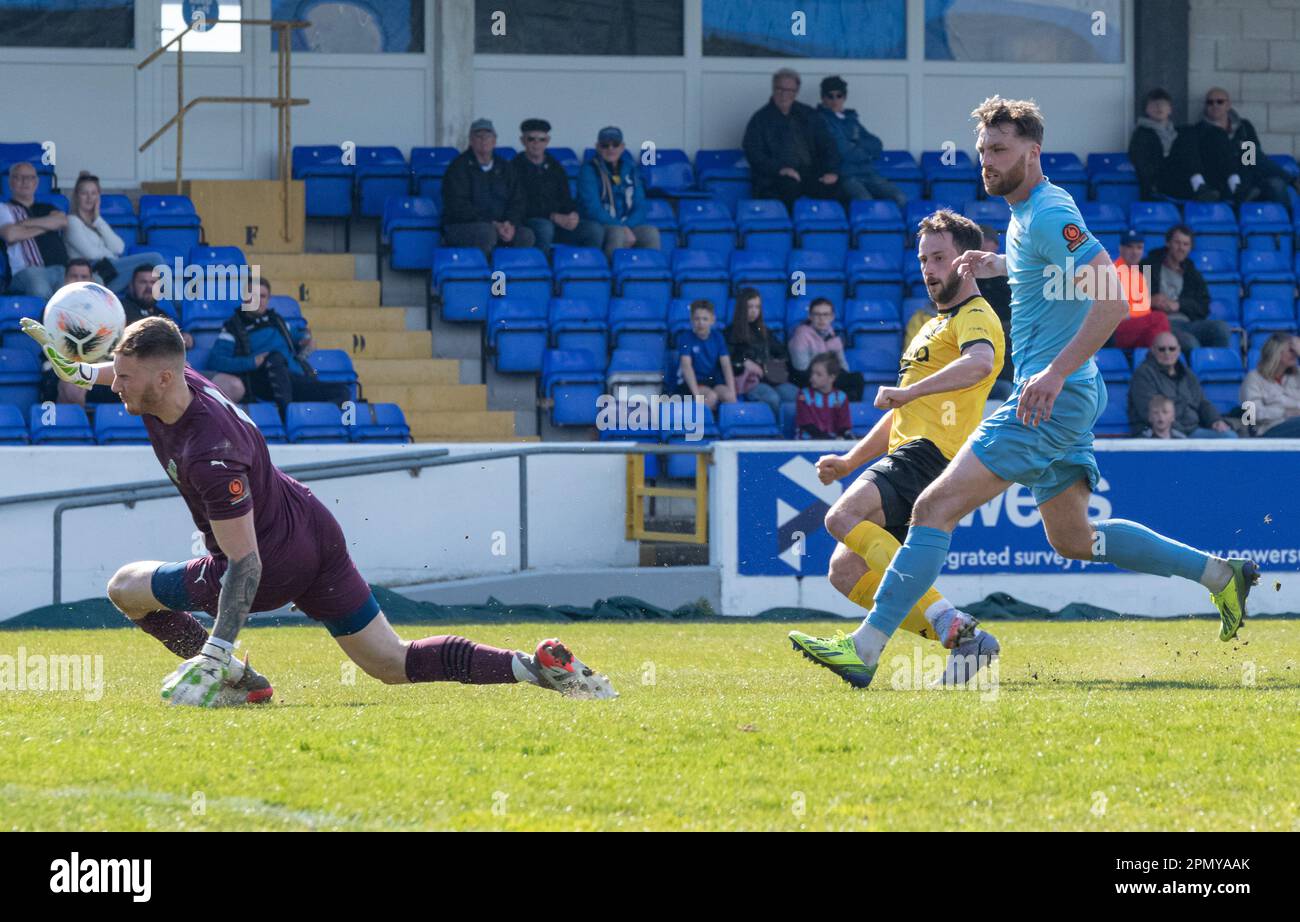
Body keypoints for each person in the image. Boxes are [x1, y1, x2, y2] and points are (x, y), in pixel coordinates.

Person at [788, 97, 1259, 689]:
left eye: (1000, 150)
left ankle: (866, 649)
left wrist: (1055, 371)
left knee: (932, 509)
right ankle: (1221, 575)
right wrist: (1005, 266)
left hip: (1049, 395)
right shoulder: (1022, 218)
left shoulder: (1046, 211)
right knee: (1074, 538)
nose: (987, 161)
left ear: (1033, 152)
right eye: (983, 150)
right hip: (1066, 395)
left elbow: (1114, 300)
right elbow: (1051, 271)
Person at [19, 314, 616, 707]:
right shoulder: (180, 383)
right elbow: (125, 369)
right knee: (390, 661)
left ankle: (230, 679)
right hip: (313, 530)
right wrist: (78, 369)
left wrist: (215, 650)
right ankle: (533, 667)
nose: (112, 386)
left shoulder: (209, 453)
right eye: (113, 375)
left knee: (126, 588)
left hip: (267, 563)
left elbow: (245, 567)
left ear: (164, 379)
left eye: (122, 379)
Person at [790, 208, 1004, 686]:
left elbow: (981, 364)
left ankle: (951, 621)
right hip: (910, 451)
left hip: (934, 454)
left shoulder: (974, 316)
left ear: (967, 262)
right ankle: (966, 639)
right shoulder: (930, 326)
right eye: (924, 259)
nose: (929, 269)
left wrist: (909, 392)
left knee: (840, 518)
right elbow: (900, 416)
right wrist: (850, 459)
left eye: (940, 258)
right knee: (845, 572)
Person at [207, 278, 349, 416]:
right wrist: (251, 362)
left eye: (262, 296)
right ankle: (287, 417)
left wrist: (305, 339)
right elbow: (215, 361)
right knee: (275, 357)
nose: (258, 300)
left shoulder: (277, 321)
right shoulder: (234, 327)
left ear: (268, 300)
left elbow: (299, 336)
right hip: (265, 381)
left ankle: (317, 427)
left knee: (341, 391)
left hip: (294, 379)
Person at [742, 68, 845, 211]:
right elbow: (754, 153)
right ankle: (790, 232)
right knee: (788, 187)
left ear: (796, 92)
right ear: (773, 89)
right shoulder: (760, 119)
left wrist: (832, 171)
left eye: (790, 90)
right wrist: (780, 169)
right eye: (780, 89)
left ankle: (828, 232)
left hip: (810, 174)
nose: (784, 94)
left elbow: (828, 145)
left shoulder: (809, 114)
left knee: (838, 188)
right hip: (777, 178)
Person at [440, 118, 536, 258]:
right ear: (471, 140)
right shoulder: (458, 167)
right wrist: (493, 223)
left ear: (495, 140)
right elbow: (458, 206)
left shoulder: (506, 167)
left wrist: (510, 223)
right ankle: (483, 276)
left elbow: (518, 201)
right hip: (461, 226)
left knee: (526, 235)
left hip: (500, 226)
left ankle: (507, 276)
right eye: (478, 136)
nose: (483, 140)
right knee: (487, 233)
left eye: (488, 136)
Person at [1191, 88, 1298, 205]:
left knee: (1276, 184)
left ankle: (1285, 219)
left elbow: (1254, 158)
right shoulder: (1199, 131)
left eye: (1219, 102)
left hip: (1249, 174)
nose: (1215, 105)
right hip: (1222, 180)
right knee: (1246, 151)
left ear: (1228, 105)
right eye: (1210, 102)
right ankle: (1293, 181)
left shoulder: (1244, 126)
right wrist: (1236, 149)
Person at [510, 118, 601, 255]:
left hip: (559, 223)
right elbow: (519, 205)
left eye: (541, 139)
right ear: (522, 140)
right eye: (531, 139)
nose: (536, 144)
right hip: (530, 223)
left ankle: (583, 271)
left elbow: (566, 197)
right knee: (545, 227)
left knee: (594, 230)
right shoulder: (513, 167)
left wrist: (572, 214)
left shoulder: (555, 166)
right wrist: (552, 216)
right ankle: (540, 272)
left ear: (548, 141)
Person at [64, 172, 163, 295]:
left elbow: (119, 248)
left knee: (149, 278)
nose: (89, 198)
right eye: (84, 193)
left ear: (99, 196)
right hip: (95, 275)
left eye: (93, 193)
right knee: (154, 258)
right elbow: (92, 254)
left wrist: (97, 219)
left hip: (111, 271)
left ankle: (170, 305)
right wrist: (109, 254)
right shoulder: (72, 221)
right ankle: (178, 303)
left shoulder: (97, 222)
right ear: (77, 196)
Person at [815, 75, 906, 208]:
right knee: (866, 203)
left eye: (839, 95)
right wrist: (864, 151)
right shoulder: (820, 119)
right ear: (823, 98)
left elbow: (876, 144)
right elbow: (843, 150)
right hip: (846, 175)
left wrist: (856, 146)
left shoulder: (851, 119)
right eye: (830, 96)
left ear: (844, 97)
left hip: (868, 172)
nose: (835, 100)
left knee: (900, 197)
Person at [576, 126, 661, 261]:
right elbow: (592, 209)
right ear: (597, 147)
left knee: (650, 233)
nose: (611, 149)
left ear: (622, 147)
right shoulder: (589, 170)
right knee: (617, 234)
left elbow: (640, 205)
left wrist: (627, 226)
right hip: (601, 225)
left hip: (628, 224)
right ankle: (613, 278)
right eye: (605, 145)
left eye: (615, 144)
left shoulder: (631, 168)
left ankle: (648, 276)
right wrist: (621, 228)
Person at [1128, 332, 1235, 438]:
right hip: (1162, 434)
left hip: (1192, 430)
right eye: (1162, 349)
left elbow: (1202, 403)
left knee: (1229, 436)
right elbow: (1149, 411)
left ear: (1178, 350)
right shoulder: (1143, 375)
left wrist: (1215, 420)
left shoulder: (1187, 374)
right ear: (1153, 350)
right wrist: (1178, 434)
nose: (1167, 353)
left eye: (1172, 349)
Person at [1141, 224, 1228, 352]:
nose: (1181, 248)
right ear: (1168, 243)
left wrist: (1179, 305)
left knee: (1221, 328)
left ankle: (1219, 369)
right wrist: (1149, 301)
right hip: (1161, 323)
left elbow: (1204, 307)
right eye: (1177, 243)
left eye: (1185, 244)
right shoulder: (1148, 266)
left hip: (1188, 323)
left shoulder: (1193, 273)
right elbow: (1132, 299)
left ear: (1190, 248)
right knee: (1190, 343)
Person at [0, 161, 68, 297]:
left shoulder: (48, 207)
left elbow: (63, 221)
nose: (25, 182)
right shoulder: (4, 208)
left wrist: (24, 224)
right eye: (19, 177)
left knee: (82, 288)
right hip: (27, 271)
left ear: (36, 182)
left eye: (30, 177)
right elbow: (10, 234)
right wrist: (48, 225)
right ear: (10, 182)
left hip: (61, 268)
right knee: (40, 288)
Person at [725, 287, 796, 417]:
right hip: (749, 382)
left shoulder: (763, 330)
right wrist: (745, 362)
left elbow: (782, 353)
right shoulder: (731, 332)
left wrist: (772, 364)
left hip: (770, 378)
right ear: (741, 308)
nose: (753, 311)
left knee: (795, 395)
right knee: (772, 398)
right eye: (749, 307)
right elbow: (727, 360)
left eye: (757, 307)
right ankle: (776, 433)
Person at [1127, 88, 1203, 201]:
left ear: (1170, 109)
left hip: (1182, 178)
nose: (1159, 107)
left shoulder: (1178, 132)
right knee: (1187, 137)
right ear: (1146, 110)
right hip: (1160, 182)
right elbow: (1143, 164)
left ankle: (1202, 185)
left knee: (1190, 133)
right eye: (1153, 104)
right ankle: (1199, 185)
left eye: (1163, 104)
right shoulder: (1142, 134)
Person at [786, 297, 863, 400]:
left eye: (826, 315)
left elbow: (843, 366)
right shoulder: (801, 336)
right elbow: (801, 368)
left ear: (832, 317)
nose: (821, 319)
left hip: (827, 378)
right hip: (807, 378)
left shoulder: (834, 337)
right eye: (817, 314)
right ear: (810, 316)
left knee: (856, 379)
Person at [1109, 230, 1170, 350]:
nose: (1135, 252)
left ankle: (1157, 361)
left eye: (1139, 248)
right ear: (1121, 249)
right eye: (1129, 247)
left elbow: (1144, 311)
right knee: (1159, 318)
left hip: (1136, 328)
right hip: (1114, 331)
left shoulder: (1140, 276)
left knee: (1154, 335)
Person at [674, 299, 735, 411]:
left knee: (729, 396)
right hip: (692, 382)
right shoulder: (686, 338)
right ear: (691, 320)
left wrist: (732, 391)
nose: (701, 323)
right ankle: (703, 426)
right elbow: (686, 366)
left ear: (712, 320)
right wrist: (696, 395)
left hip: (713, 381)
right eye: (697, 319)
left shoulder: (718, 337)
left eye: (705, 319)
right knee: (711, 397)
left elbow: (726, 365)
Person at [976, 224, 1014, 398]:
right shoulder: (970, 270)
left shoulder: (1009, 271)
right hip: (977, 322)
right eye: (979, 242)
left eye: (987, 241)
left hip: (1006, 324)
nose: (983, 246)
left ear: (995, 246)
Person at [1240, 333, 1300, 438]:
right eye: (1291, 351)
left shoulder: (1297, 375)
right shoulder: (1254, 378)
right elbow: (1250, 414)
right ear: (1276, 353)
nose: (1295, 355)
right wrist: (1284, 412)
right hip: (1269, 430)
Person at [119, 265, 190, 346]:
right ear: (131, 286)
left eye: (153, 282)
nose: (149, 287)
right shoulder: (121, 310)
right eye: (143, 282)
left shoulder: (162, 316)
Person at [795, 353, 853, 439]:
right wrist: (830, 440)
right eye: (812, 373)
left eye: (818, 374)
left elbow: (843, 426)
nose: (813, 377)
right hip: (806, 443)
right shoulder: (804, 395)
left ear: (832, 378)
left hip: (832, 444)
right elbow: (807, 424)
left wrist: (841, 436)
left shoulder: (841, 397)